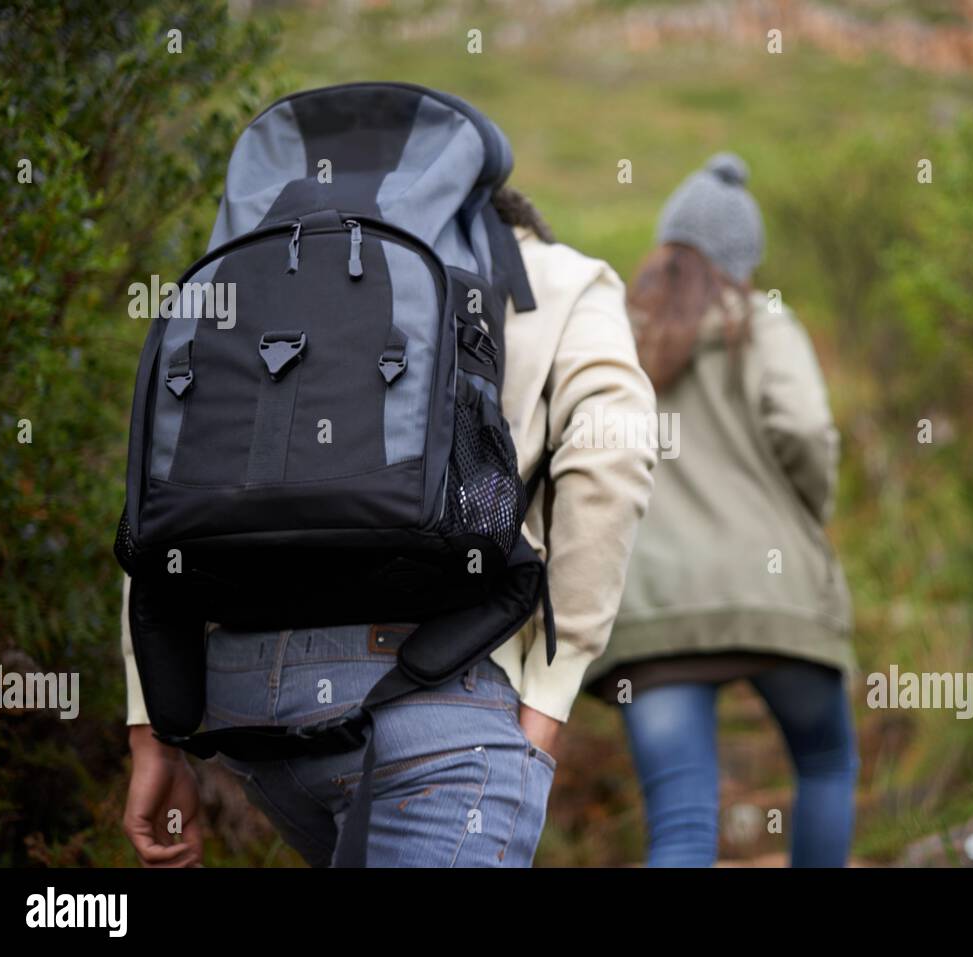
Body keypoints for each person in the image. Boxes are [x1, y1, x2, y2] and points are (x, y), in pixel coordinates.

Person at [121, 188, 658, 867]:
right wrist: (551, 695)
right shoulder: (565, 278)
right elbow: (612, 450)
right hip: (437, 693)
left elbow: (164, 489)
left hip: (244, 704)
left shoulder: (270, 275)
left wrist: (150, 726)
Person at [585, 153, 859, 868]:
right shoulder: (762, 320)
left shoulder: (613, 331)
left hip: (650, 609)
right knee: (826, 766)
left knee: (679, 825)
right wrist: (809, 512)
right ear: (745, 255)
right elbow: (803, 428)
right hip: (774, 592)